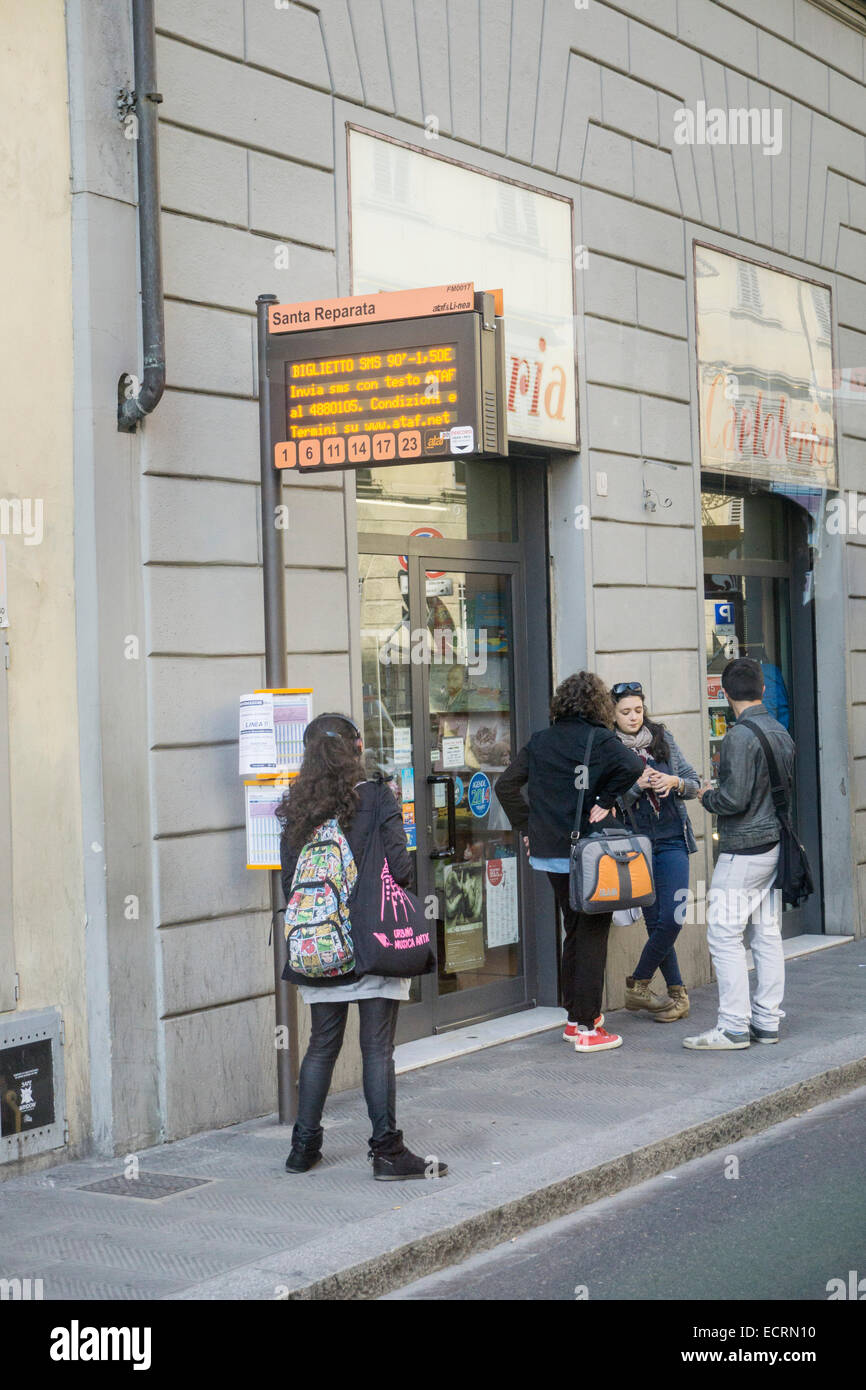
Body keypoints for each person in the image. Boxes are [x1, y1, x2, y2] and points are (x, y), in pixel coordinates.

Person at [277, 712, 447, 1180]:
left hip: (320, 943)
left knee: (320, 1047)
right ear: (356, 749)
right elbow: (402, 866)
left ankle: (302, 1148)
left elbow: (289, 883)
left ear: (308, 755)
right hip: (371, 940)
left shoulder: (295, 808)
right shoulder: (375, 796)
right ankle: (387, 1153)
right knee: (376, 1048)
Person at [495, 672, 644, 1053]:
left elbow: (506, 785)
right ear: (599, 704)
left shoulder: (541, 741)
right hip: (590, 854)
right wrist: (606, 800)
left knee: (573, 930)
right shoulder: (602, 739)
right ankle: (587, 1028)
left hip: (550, 853)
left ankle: (576, 1016)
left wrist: (527, 827)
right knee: (591, 936)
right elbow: (632, 767)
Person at [685, 658, 795, 1050]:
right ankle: (767, 1021)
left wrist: (705, 794)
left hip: (744, 850)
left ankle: (733, 1026)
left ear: (724, 694)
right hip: (773, 846)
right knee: (766, 934)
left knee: (723, 935)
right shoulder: (779, 730)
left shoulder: (739, 736)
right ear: (763, 690)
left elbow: (733, 799)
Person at [611, 681, 701, 1023]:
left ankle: (638, 983)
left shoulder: (663, 739)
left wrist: (673, 782)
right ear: (613, 715)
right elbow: (608, 804)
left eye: (638, 710)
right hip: (636, 847)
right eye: (625, 712)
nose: (634, 717)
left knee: (674, 917)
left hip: (672, 839)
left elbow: (693, 783)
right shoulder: (610, 748)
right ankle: (678, 995)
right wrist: (638, 787)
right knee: (656, 923)